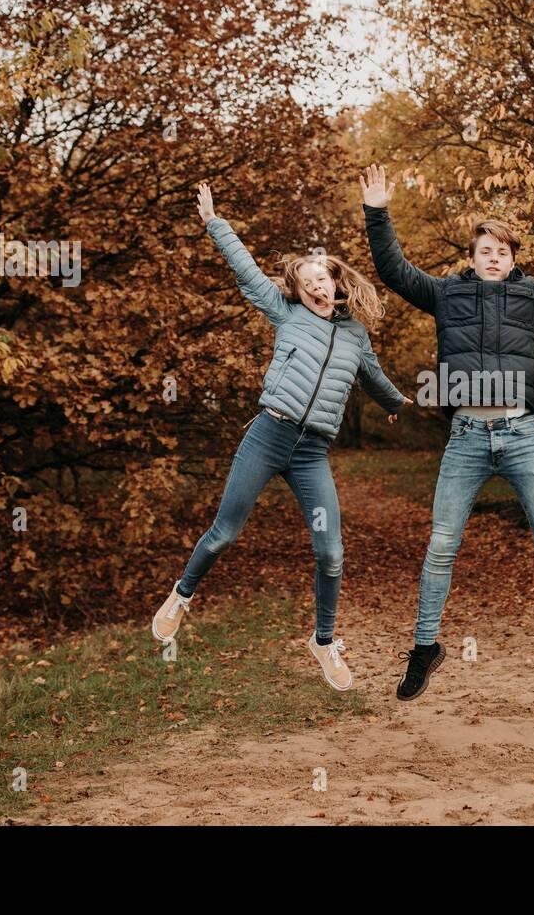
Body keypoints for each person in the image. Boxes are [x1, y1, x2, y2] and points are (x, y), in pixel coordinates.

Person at [359, 162, 534, 701]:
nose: (494, 257)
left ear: (512, 259)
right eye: (486, 250)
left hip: (522, 435)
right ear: (473, 256)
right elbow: (393, 270)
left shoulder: (533, 297)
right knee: (441, 545)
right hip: (465, 438)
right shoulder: (444, 295)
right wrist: (377, 212)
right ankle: (424, 648)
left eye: (503, 252)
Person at [151, 182, 412, 692]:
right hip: (269, 435)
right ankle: (181, 595)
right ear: (297, 289)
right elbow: (246, 271)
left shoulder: (356, 334)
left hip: (311, 453)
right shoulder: (285, 313)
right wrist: (214, 223)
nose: (315, 285)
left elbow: (373, 376)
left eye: (322, 277)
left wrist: (400, 403)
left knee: (331, 552)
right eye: (306, 280)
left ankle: (322, 641)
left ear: (336, 281)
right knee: (225, 532)